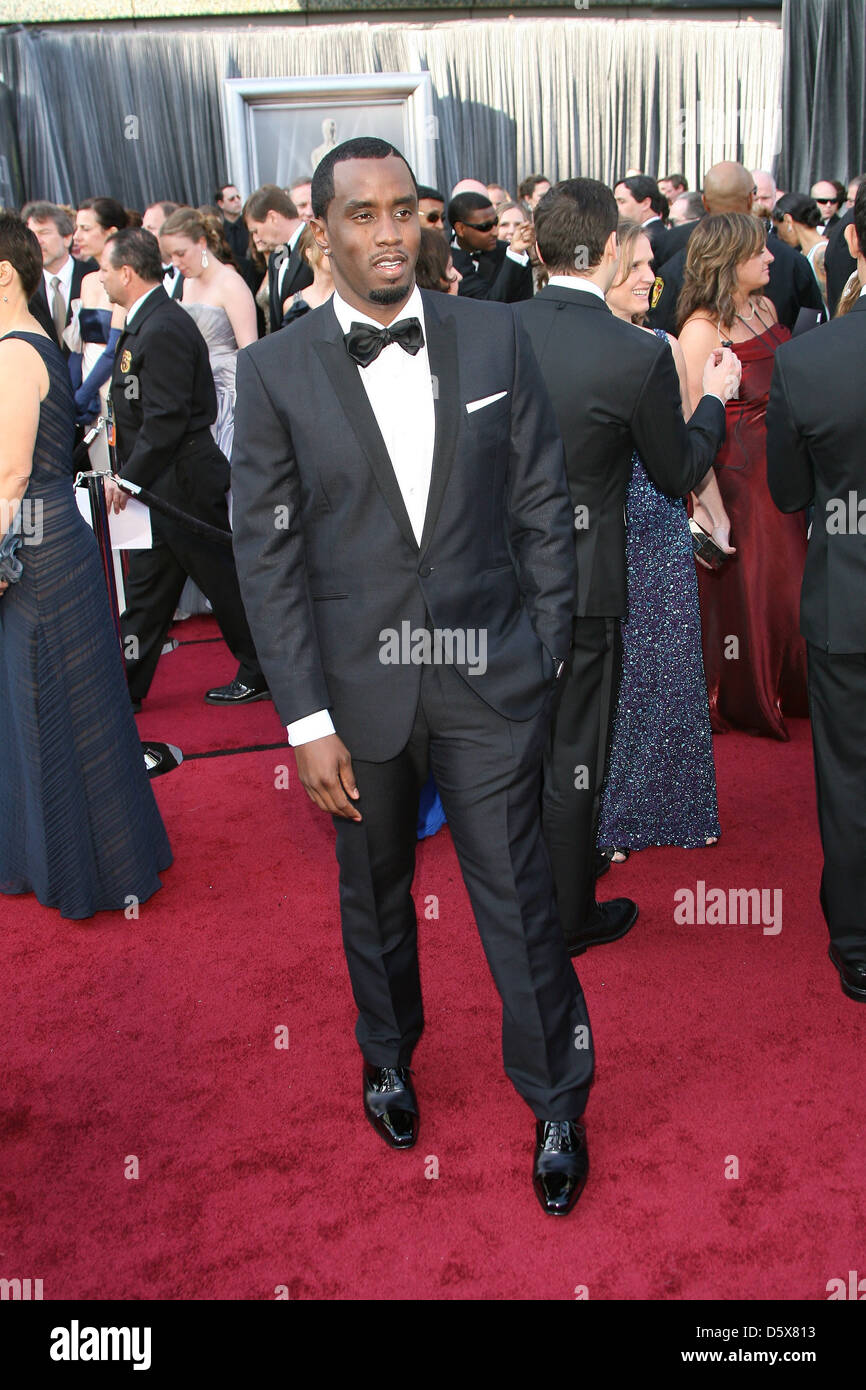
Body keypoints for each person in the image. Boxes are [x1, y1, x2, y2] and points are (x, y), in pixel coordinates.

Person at [231, 136, 594, 1218]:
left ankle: (557, 1099)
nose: (389, 232)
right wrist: (302, 718)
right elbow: (269, 554)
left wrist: (540, 654)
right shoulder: (274, 369)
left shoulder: (493, 336)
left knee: (518, 896)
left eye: (405, 212)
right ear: (322, 229)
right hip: (354, 693)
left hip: (489, 678)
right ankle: (386, 1057)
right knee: (374, 895)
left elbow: (541, 503)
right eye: (363, 214)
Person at [516, 180, 737, 957]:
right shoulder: (634, 352)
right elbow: (678, 470)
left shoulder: (486, 332)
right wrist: (712, 401)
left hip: (495, 582)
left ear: (538, 247)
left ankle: (517, 900)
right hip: (586, 588)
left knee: (512, 744)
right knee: (575, 753)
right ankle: (569, 918)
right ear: (608, 249)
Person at [0, 213, 172, 919]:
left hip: (34, 547)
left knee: (52, 706)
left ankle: (85, 866)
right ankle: (75, 855)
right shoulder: (25, 344)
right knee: (54, 705)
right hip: (45, 540)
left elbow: (9, 474)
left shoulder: (14, 353)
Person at [595, 221, 725, 861]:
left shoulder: (666, 344)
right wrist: (718, 406)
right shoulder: (590, 345)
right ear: (606, 267)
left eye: (653, 265)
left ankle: (675, 807)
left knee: (668, 666)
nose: (653, 277)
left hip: (657, 522)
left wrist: (709, 512)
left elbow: (678, 454)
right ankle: (612, 815)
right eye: (639, 266)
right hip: (604, 527)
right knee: (615, 675)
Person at [766, 181, 866, 1002]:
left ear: (855, 244)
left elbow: (792, 494)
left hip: (848, 605)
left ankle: (860, 945)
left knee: (849, 774)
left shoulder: (807, 360)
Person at [99, 227, 267, 711]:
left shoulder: (163, 326)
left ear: (127, 273)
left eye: (107, 270)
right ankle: (126, 685)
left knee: (224, 581)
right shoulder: (151, 320)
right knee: (150, 586)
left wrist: (128, 477)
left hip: (183, 479)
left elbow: (167, 418)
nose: (102, 278)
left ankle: (263, 669)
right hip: (166, 482)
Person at [677, 212, 809, 740]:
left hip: (782, 470)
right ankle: (744, 693)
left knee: (789, 585)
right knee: (750, 591)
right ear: (731, 260)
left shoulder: (765, 306)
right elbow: (690, 421)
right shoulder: (701, 329)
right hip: (736, 478)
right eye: (760, 250)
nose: (772, 257)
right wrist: (710, 505)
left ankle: (791, 683)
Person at [650, 162, 824, 334]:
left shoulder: (673, 259)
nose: (767, 258)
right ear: (751, 199)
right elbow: (811, 329)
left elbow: (660, 334)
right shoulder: (791, 261)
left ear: (705, 202)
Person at [160, 205, 257, 461]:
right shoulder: (187, 282)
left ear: (201, 242)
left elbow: (250, 349)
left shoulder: (230, 283)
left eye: (181, 253)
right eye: (171, 255)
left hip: (230, 396)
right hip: (197, 395)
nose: (176, 262)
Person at [23, 201, 94, 353]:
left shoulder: (93, 277)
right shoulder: (24, 287)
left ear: (67, 238)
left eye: (44, 233)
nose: (37, 241)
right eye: (32, 234)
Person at [243, 185, 313, 332]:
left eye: (256, 230)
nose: (257, 238)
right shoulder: (277, 254)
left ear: (273, 217)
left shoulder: (314, 244)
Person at [448, 191, 533, 302]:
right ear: (461, 229)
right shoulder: (443, 259)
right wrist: (514, 254)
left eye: (495, 223)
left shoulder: (510, 253)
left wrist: (515, 254)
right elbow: (488, 304)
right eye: (485, 227)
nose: (495, 232)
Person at [771, 193, 828, 310]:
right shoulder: (805, 253)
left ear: (787, 220)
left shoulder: (821, 253)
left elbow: (831, 302)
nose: (779, 236)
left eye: (778, 228)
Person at [280, 224, 335, 325]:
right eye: (324, 246)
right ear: (309, 253)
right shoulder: (292, 304)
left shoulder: (348, 300)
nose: (332, 252)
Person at [613, 175, 670, 265]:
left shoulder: (651, 240)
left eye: (622, 201)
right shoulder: (661, 236)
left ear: (645, 203)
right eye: (615, 202)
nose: (616, 208)